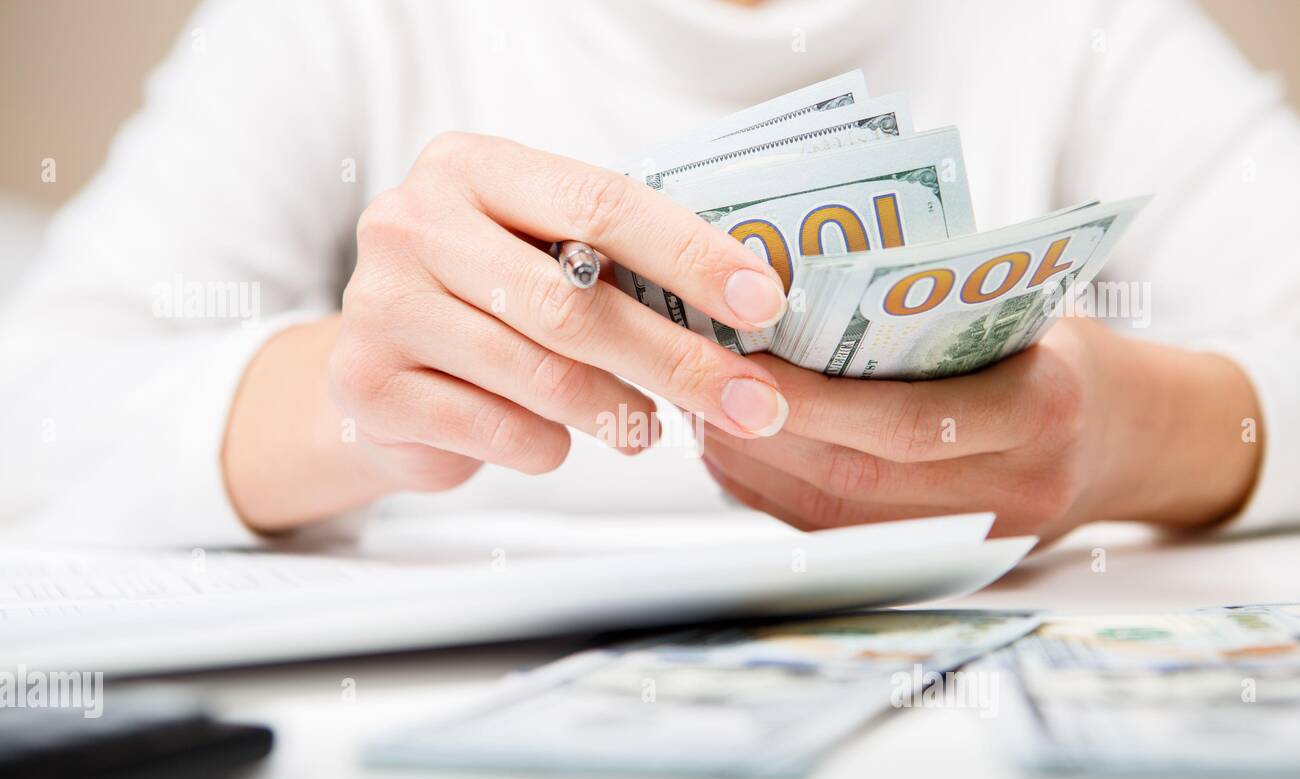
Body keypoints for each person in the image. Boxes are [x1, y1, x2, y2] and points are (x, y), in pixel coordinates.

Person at [1, 0, 1297, 547]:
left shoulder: (1079, 29)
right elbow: (38, 407)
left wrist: (1129, 434)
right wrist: (357, 400)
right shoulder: (342, 23)